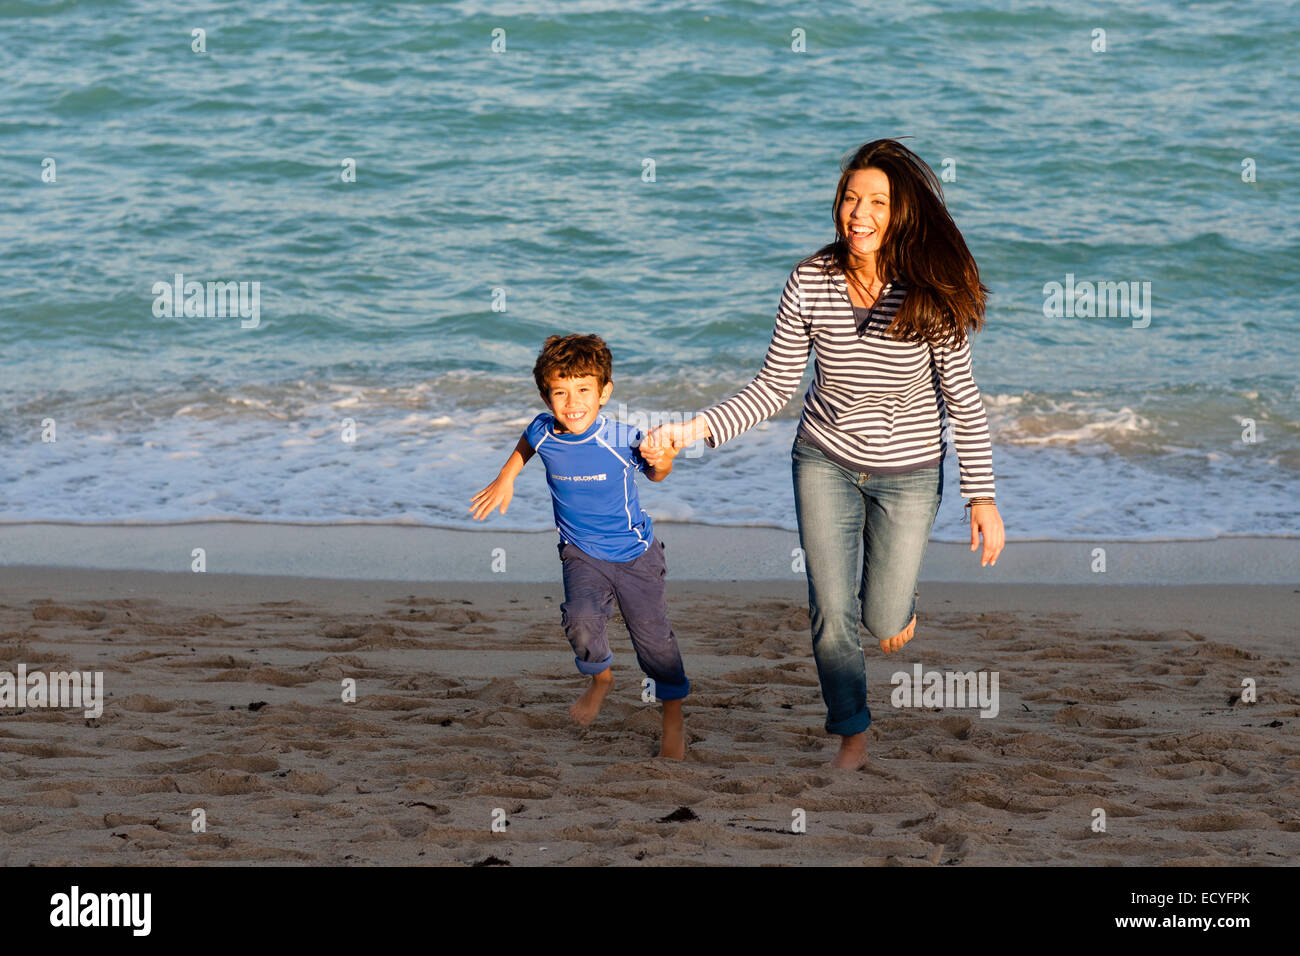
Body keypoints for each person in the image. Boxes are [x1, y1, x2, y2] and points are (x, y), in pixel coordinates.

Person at [648, 139, 1005, 770]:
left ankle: (897, 605)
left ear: (903, 214)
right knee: (830, 609)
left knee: (883, 616)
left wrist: (983, 498)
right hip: (825, 458)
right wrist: (693, 430)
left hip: (910, 473)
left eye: (876, 202)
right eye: (849, 199)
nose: (858, 213)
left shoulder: (929, 293)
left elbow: (964, 403)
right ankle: (852, 734)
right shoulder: (811, 280)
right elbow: (775, 386)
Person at [469, 333, 690, 759]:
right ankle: (601, 677)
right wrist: (506, 477)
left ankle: (673, 717)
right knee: (581, 621)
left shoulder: (623, 437)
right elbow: (527, 442)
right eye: (560, 392)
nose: (573, 403)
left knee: (655, 642)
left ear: (605, 392)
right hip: (580, 553)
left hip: (635, 556)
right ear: (545, 395)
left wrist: (664, 458)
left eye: (584, 390)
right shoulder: (544, 430)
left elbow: (657, 474)